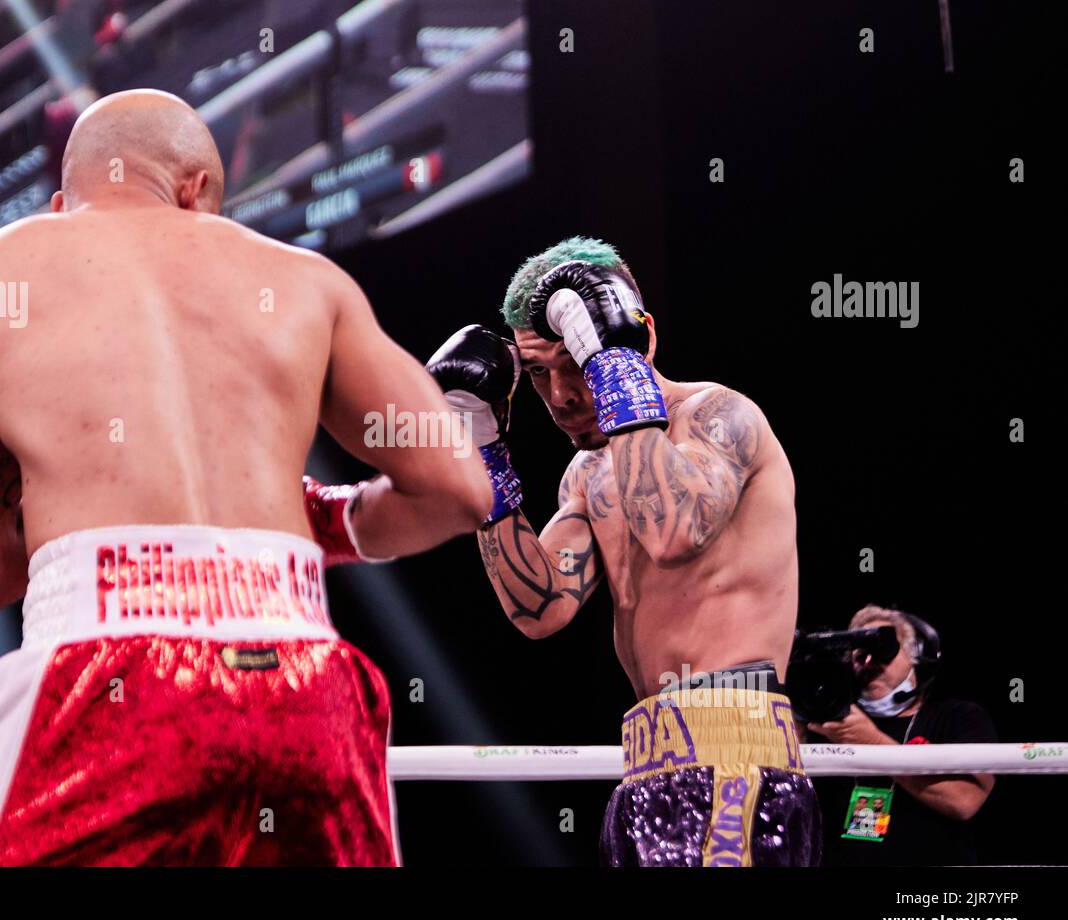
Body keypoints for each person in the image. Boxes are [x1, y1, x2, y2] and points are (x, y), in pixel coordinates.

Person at [0, 89, 491, 866]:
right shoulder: (309, 282)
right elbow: (461, 491)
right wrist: (329, 522)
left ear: (58, 203)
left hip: (106, 680)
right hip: (307, 686)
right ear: (197, 192)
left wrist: (39, 501)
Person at [427, 236, 820, 866]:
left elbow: (671, 530)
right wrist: (485, 457)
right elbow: (539, 606)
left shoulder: (721, 417)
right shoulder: (587, 474)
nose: (559, 395)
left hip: (733, 751)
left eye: (576, 361)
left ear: (638, 338)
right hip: (644, 762)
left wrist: (613, 361)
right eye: (536, 374)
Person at [806, 605, 996, 865]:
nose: (869, 662)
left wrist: (873, 742)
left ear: (914, 656)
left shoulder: (959, 716)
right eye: (859, 654)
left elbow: (964, 802)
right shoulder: (830, 724)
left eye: (882, 650)